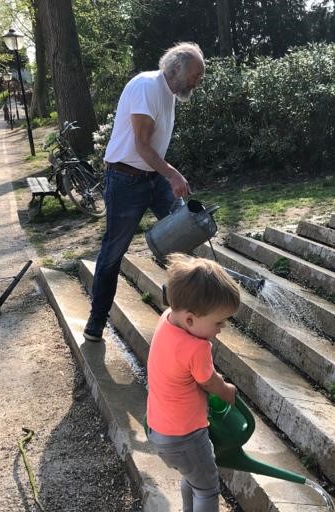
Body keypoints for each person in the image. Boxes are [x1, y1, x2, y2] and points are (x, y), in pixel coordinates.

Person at [84, 42, 205, 342]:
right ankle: (96, 321)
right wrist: (173, 174)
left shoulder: (169, 92)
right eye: (195, 76)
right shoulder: (147, 87)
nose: (197, 82)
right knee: (114, 252)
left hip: (153, 178)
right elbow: (141, 145)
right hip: (125, 180)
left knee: (184, 236)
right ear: (175, 68)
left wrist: (165, 175)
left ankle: (183, 312)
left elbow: (152, 150)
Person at [146, 254, 242, 512]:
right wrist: (227, 391)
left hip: (160, 429)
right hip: (186, 435)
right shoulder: (197, 347)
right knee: (208, 487)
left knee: (193, 475)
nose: (221, 329)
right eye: (218, 322)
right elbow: (210, 382)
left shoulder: (167, 319)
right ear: (190, 319)